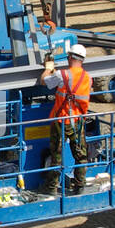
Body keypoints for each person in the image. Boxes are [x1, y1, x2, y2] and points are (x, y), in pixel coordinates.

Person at [39, 44, 91, 195]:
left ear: (70, 57)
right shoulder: (87, 77)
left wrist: (48, 67)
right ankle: (79, 185)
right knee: (81, 156)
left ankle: (51, 188)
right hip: (78, 121)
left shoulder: (62, 75)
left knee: (56, 156)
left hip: (61, 121)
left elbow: (44, 81)